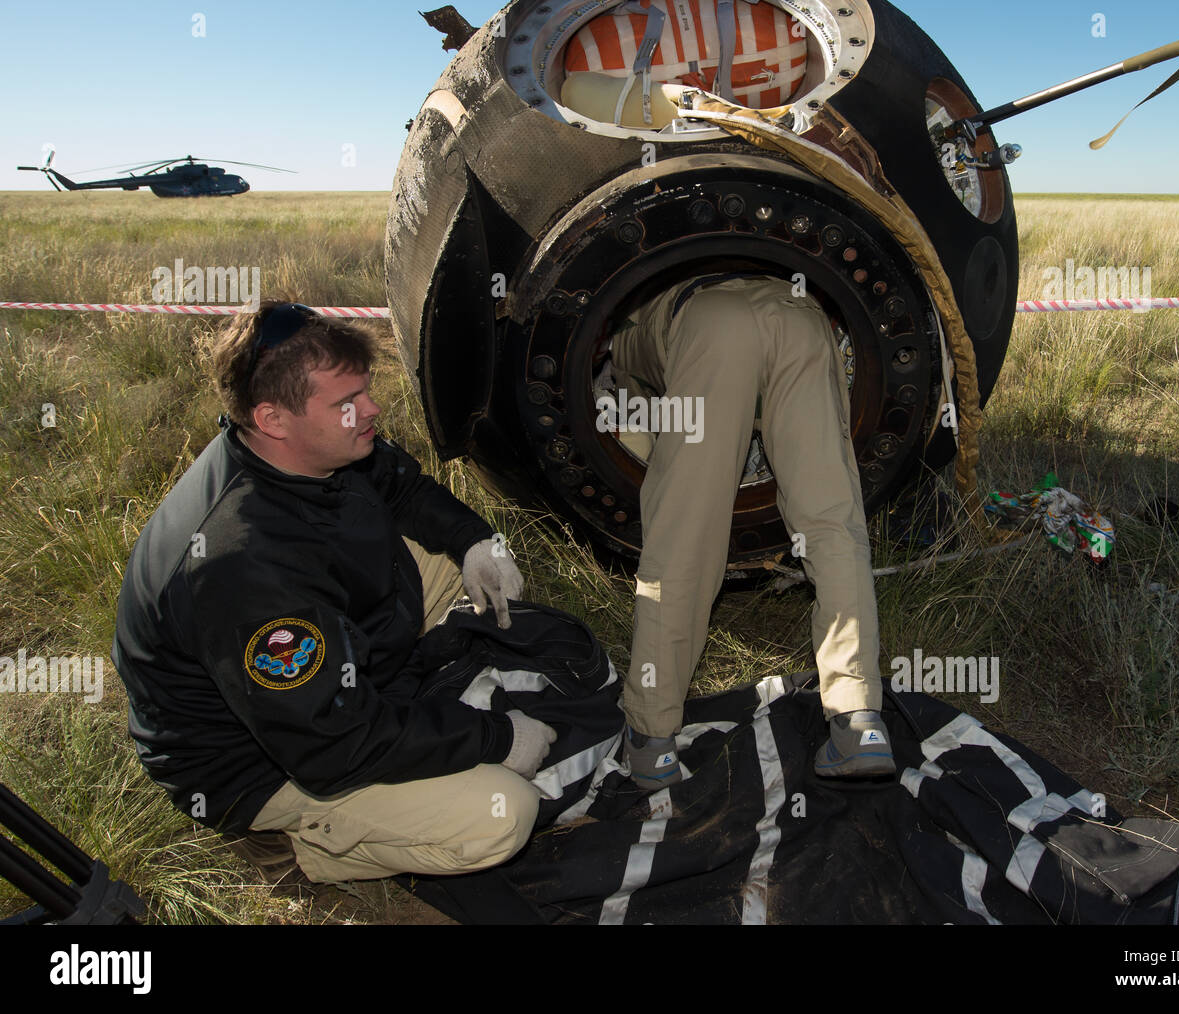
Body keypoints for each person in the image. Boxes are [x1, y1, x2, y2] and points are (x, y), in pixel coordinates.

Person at [112, 301, 556, 885]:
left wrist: (474, 540)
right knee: (502, 815)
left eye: (365, 392)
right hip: (260, 765)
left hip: (314, 673)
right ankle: (303, 850)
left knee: (447, 566)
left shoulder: (316, 447)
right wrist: (495, 738)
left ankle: (398, 693)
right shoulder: (239, 566)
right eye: (347, 404)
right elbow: (333, 744)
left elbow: (403, 489)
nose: (371, 410)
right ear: (272, 419)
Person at [608, 273, 895, 789]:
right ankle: (859, 721)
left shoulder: (627, 325)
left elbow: (631, 420)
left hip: (710, 323)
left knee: (685, 530)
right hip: (803, 316)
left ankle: (652, 737)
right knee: (832, 520)